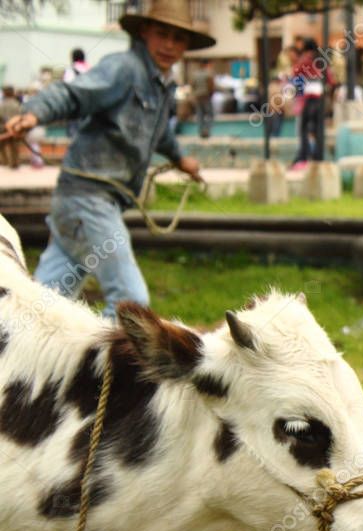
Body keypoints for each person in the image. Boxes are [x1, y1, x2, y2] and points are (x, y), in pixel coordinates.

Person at [3, 0, 212, 317]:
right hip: (88, 199)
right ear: (144, 32)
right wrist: (34, 115)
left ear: (186, 45)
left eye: (178, 38)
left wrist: (181, 159)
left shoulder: (162, 87)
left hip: (83, 203)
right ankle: (96, 367)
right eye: (161, 33)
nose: (169, 45)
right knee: (131, 303)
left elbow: (159, 133)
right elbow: (73, 94)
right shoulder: (124, 69)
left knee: (38, 310)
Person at [291, 37, 335, 169]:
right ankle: (318, 158)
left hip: (307, 99)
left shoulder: (303, 61)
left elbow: (296, 78)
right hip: (320, 99)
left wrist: (298, 102)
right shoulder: (321, 61)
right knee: (318, 130)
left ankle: (303, 158)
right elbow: (331, 81)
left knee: (303, 129)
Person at [62, 48, 90, 138]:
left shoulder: (70, 69)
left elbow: (66, 85)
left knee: (72, 131)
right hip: (89, 104)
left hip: (74, 103)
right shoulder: (90, 69)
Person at [189, 58, 214, 138]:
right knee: (209, 114)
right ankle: (207, 131)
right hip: (205, 96)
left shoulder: (195, 74)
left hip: (198, 96)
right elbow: (210, 85)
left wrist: (195, 94)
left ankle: (200, 132)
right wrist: (210, 94)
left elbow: (192, 85)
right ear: (206, 64)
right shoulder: (208, 73)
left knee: (200, 115)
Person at [0, 87, 20, 169]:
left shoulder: (2, 104)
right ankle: (14, 163)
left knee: (1, 146)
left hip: (3, 127)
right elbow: (19, 116)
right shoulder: (16, 104)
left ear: (4, 93)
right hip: (15, 127)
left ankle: (4, 161)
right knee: (14, 146)